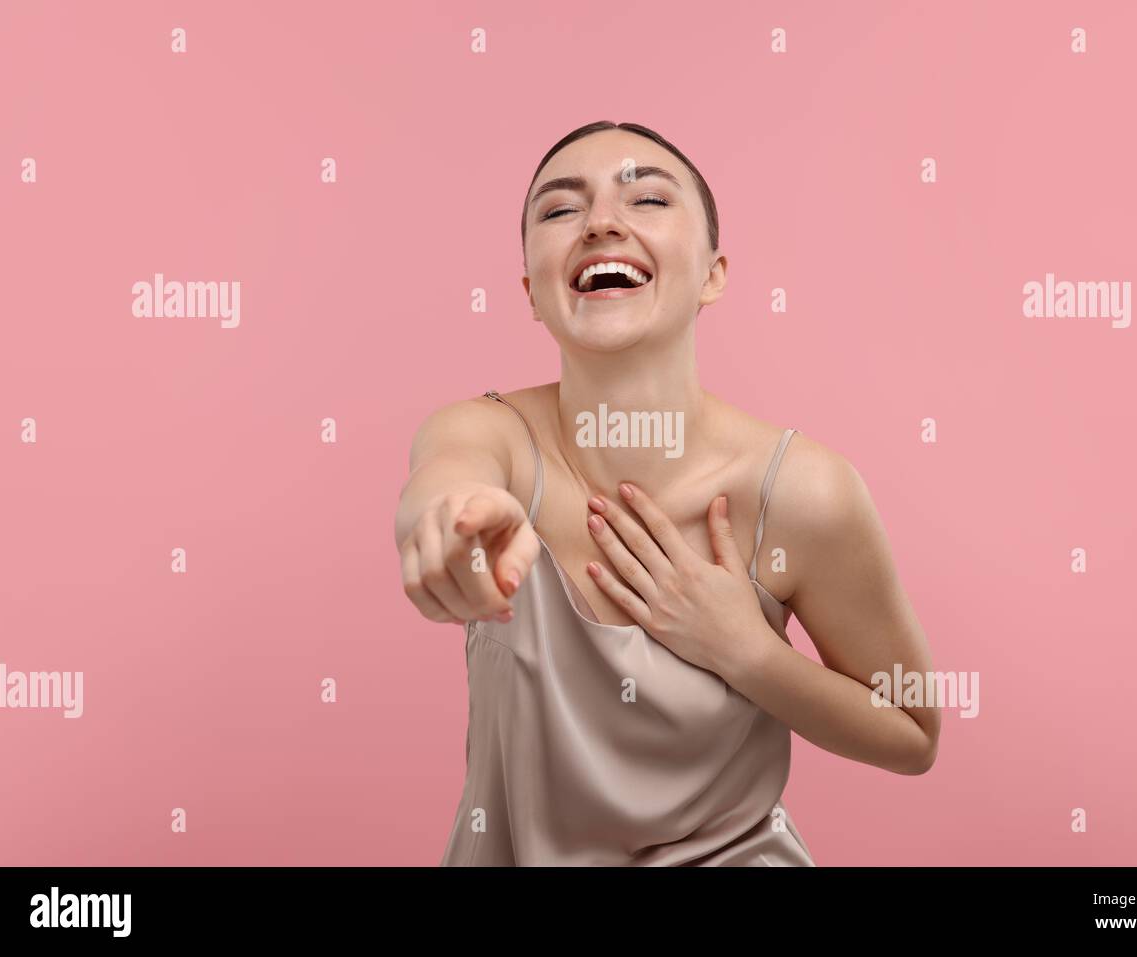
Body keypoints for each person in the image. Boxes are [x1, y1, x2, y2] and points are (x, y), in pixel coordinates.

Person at [394, 121, 939, 865]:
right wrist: (447, 523)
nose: (601, 223)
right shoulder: (490, 435)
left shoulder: (803, 490)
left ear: (713, 273)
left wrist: (749, 655)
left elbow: (912, 731)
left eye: (647, 198)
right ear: (532, 292)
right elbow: (446, 477)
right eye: (560, 211)